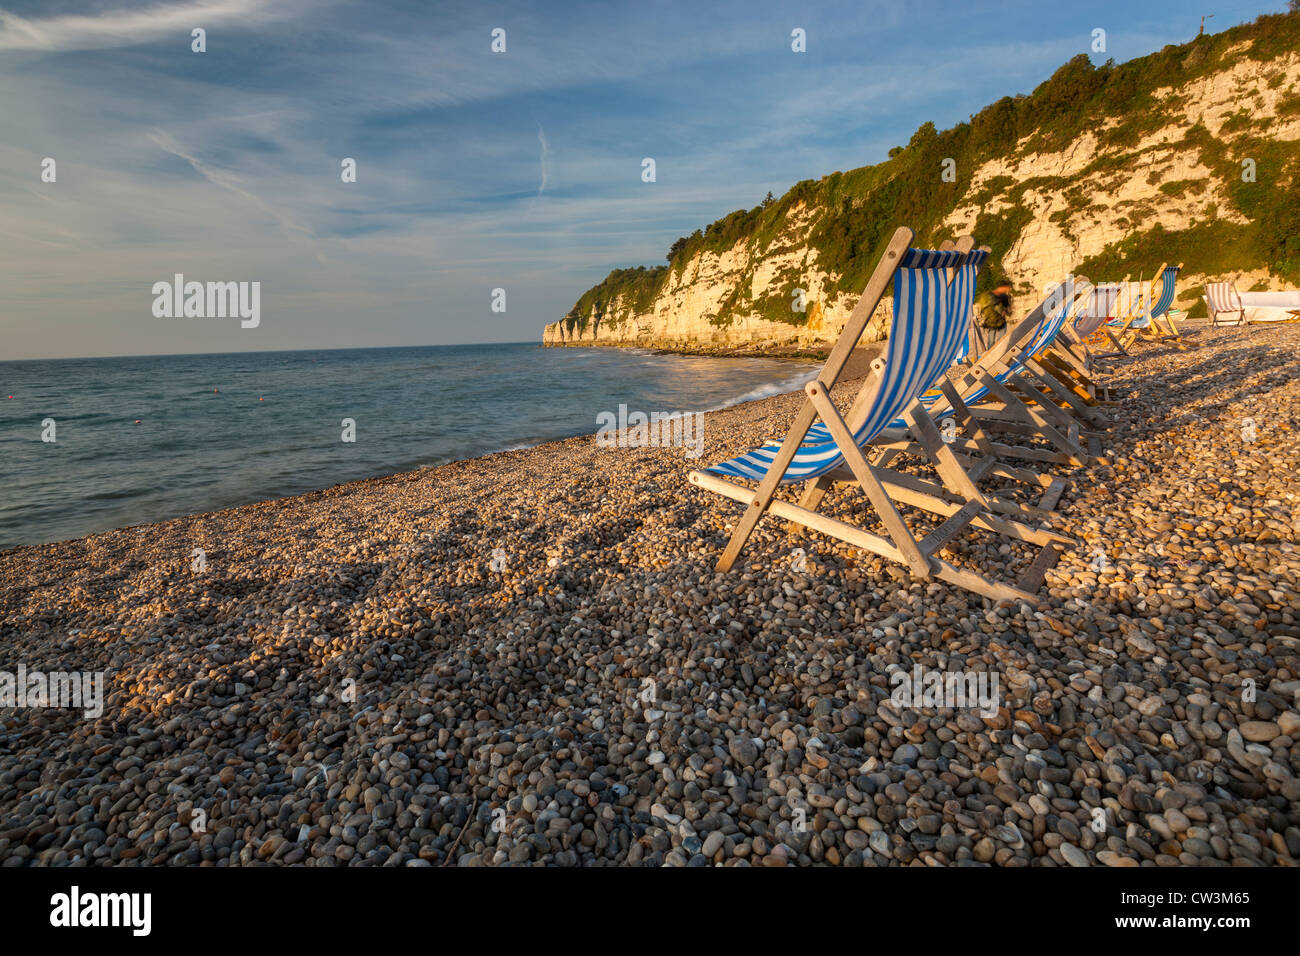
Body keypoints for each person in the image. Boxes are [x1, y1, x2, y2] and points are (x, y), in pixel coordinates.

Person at [975, 278, 1014, 346]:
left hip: (993, 321)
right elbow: (1006, 309)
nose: (1007, 290)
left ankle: (995, 350)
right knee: (996, 339)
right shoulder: (999, 296)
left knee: (993, 339)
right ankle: (997, 350)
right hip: (995, 321)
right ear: (1003, 287)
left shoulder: (988, 295)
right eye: (1007, 288)